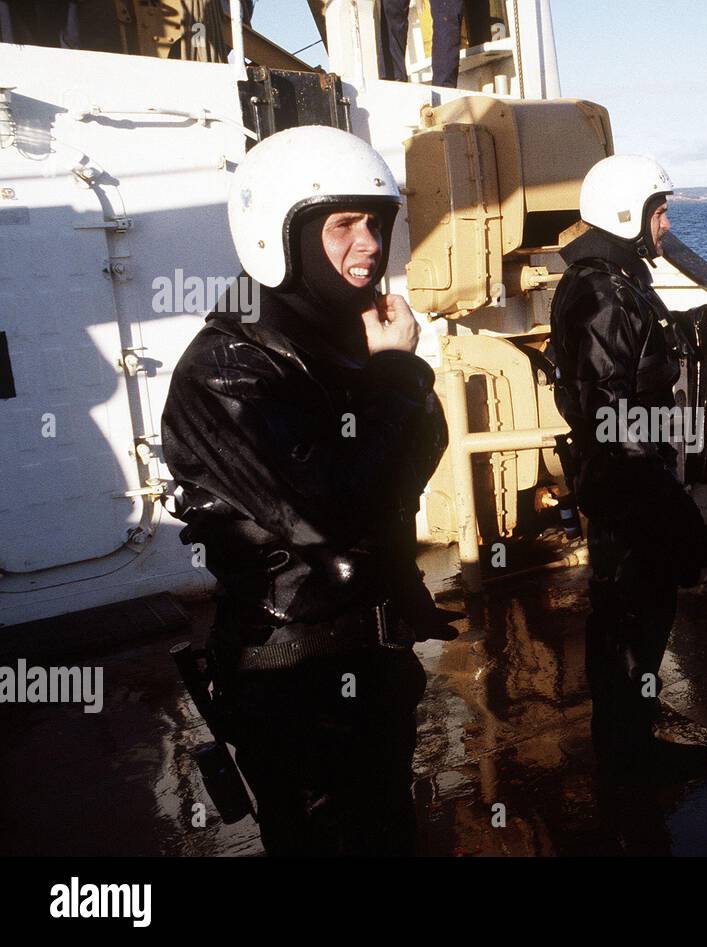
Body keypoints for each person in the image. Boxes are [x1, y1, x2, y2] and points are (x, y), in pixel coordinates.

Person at [161, 125, 454, 855]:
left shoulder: (344, 343)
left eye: (377, 224)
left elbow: (417, 454)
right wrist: (396, 375)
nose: (368, 244)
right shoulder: (228, 370)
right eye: (343, 225)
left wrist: (389, 375)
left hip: (371, 665)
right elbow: (330, 507)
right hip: (296, 684)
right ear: (277, 236)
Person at [549, 154, 707, 780]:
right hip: (627, 483)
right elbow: (610, 406)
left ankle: (628, 736)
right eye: (659, 213)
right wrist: (658, 495)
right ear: (625, 214)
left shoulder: (612, 281)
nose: (665, 226)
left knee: (637, 611)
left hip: (625, 479)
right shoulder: (603, 290)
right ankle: (627, 753)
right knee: (631, 616)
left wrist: (699, 322)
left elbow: (639, 351)